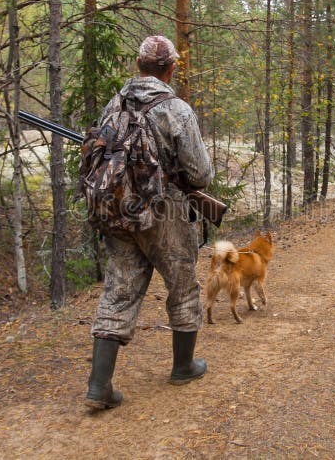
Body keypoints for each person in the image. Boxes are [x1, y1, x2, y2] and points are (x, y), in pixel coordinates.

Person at [86, 35, 214, 409]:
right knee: (182, 285)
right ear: (170, 68)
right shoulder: (175, 109)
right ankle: (184, 365)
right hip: (165, 212)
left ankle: (98, 386)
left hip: (120, 209)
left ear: (138, 65)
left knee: (119, 289)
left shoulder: (114, 103)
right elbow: (201, 174)